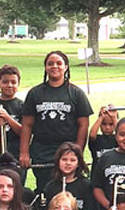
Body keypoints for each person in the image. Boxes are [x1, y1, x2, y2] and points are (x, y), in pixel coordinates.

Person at [20, 50, 93, 189]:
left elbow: (83, 125)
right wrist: (24, 152)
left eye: (59, 63)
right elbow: (27, 124)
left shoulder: (76, 94)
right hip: (42, 150)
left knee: (69, 189)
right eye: (50, 63)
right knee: (45, 188)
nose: (54, 66)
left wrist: (78, 151)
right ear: (45, 67)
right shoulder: (35, 93)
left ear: (66, 67)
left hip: (67, 149)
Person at [34, 142, 96, 210]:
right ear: (58, 161)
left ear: (79, 163)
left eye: (72, 160)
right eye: (64, 159)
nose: (68, 163)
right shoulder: (51, 186)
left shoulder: (86, 185)